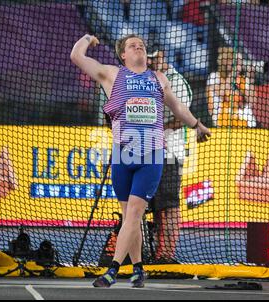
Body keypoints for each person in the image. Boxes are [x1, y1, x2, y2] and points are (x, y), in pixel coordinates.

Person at [70, 34, 211, 288]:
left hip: (152, 155)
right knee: (129, 217)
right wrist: (87, 38)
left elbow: (177, 107)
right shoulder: (111, 75)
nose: (139, 47)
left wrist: (196, 125)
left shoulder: (159, 79)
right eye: (133, 45)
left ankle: (112, 270)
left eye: (142, 46)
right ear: (123, 55)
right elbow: (76, 57)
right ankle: (137, 269)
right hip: (123, 156)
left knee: (135, 213)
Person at [147, 49, 192, 263]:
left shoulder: (176, 82)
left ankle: (168, 254)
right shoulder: (148, 77)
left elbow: (181, 118)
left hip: (171, 154)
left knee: (170, 205)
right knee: (156, 206)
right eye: (149, 58)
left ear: (163, 56)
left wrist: (156, 126)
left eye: (154, 58)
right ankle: (159, 251)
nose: (151, 61)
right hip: (151, 152)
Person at [206, 46, 257, 127]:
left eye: (240, 62)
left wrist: (250, 79)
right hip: (222, 122)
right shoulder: (215, 76)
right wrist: (233, 74)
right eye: (236, 62)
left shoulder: (242, 79)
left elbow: (251, 102)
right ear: (226, 62)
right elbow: (221, 93)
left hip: (244, 123)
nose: (239, 64)